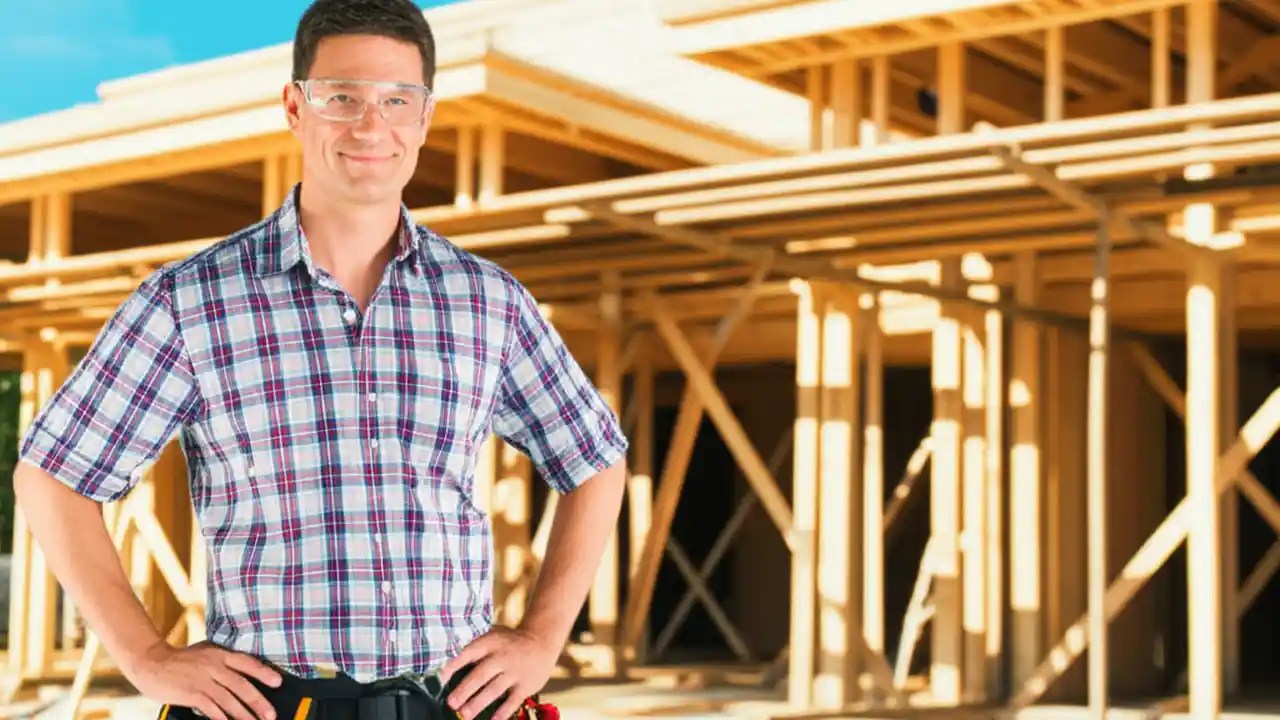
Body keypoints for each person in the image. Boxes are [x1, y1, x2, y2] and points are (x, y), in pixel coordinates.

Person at [11, 1, 629, 718]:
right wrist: (147, 658)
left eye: (398, 100)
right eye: (342, 97)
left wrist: (543, 637)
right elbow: (52, 477)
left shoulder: (486, 301)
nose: (372, 125)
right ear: (295, 107)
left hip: (452, 705)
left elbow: (595, 458)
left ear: (425, 119)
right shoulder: (192, 301)